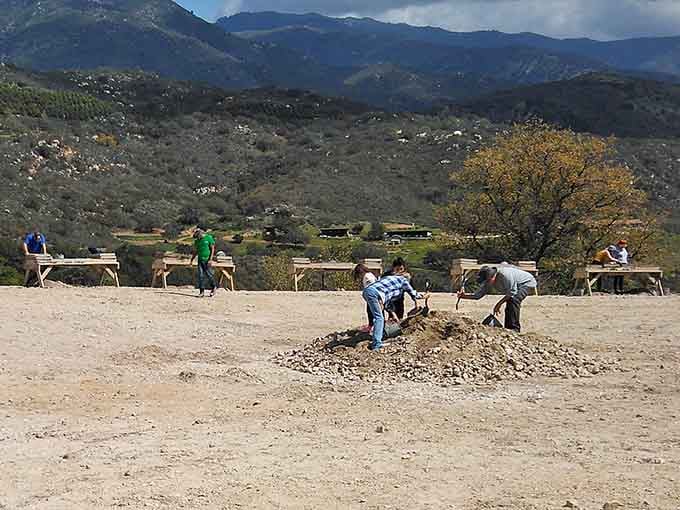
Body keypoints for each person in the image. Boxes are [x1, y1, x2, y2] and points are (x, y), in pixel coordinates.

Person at [457, 265, 537, 333]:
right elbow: (478, 295)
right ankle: (508, 329)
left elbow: (513, 291)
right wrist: (464, 296)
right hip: (515, 288)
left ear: (492, 277)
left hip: (526, 283)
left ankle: (514, 329)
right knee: (509, 301)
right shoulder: (488, 281)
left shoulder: (505, 275)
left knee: (513, 300)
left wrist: (498, 304)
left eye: (487, 281)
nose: (486, 283)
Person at [362, 274, 426, 351]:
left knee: (379, 317)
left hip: (368, 292)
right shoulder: (403, 280)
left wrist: (394, 315)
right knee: (379, 317)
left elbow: (387, 303)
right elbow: (414, 294)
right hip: (374, 293)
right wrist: (423, 296)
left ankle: (379, 337)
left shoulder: (390, 281)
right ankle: (376, 345)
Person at [190, 228, 217, 297]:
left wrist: (210, 259)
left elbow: (212, 249)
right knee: (200, 276)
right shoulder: (197, 241)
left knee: (209, 275)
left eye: (198, 236)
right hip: (200, 260)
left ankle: (213, 287)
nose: (197, 238)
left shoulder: (208, 238)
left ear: (201, 234)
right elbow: (196, 251)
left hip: (207, 260)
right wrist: (192, 260)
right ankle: (201, 292)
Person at [353, 263, 378, 330]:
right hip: (374, 295)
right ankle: (372, 325)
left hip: (373, 296)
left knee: (371, 311)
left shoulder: (367, 277)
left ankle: (372, 326)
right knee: (371, 310)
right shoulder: (370, 274)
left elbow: (370, 287)